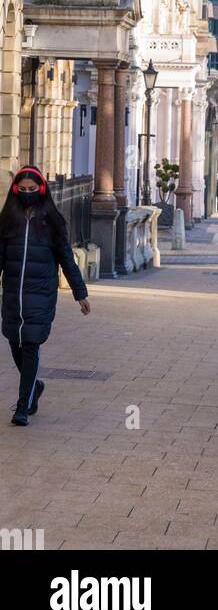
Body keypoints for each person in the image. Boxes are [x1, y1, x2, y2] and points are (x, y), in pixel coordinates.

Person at [0, 166, 90, 426]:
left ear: (41, 190)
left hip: (41, 293)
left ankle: (22, 406)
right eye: (23, 190)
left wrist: (79, 293)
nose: (28, 194)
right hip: (13, 293)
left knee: (30, 344)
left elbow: (66, 259)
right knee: (14, 342)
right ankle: (35, 386)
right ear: (16, 190)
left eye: (32, 190)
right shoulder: (7, 219)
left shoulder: (52, 220)